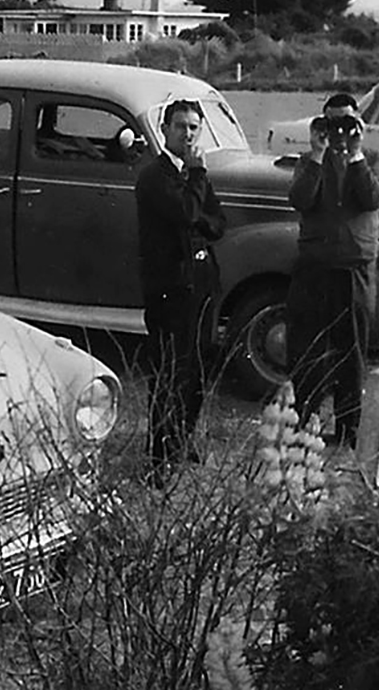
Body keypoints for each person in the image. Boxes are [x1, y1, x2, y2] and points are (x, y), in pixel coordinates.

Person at [286, 93, 379, 448]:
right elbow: (300, 198)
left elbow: (372, 198)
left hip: (354, 271)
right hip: (314, 268)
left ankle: (348, 430)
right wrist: (317, 153)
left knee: (352, 353)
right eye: (333, 122)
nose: (341, 131)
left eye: (348, 122)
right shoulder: (310, 161)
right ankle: (304, 423)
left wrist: (357, 153)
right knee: (308, 350)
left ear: (360, 123)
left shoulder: (375, 159)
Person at [134, 100, 227, 482]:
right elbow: (188, 213)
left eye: (194, 128)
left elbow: (218, 222)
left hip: (201, 282)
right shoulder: (155, 176)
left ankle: (183, 438)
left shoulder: (193, 177)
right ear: (164, 129)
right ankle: (159, 456)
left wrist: (198, 214)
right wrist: (197, 178)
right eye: (180, 127)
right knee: (169, 370)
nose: (187, 135)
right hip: (170, 287)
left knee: (197, 369)